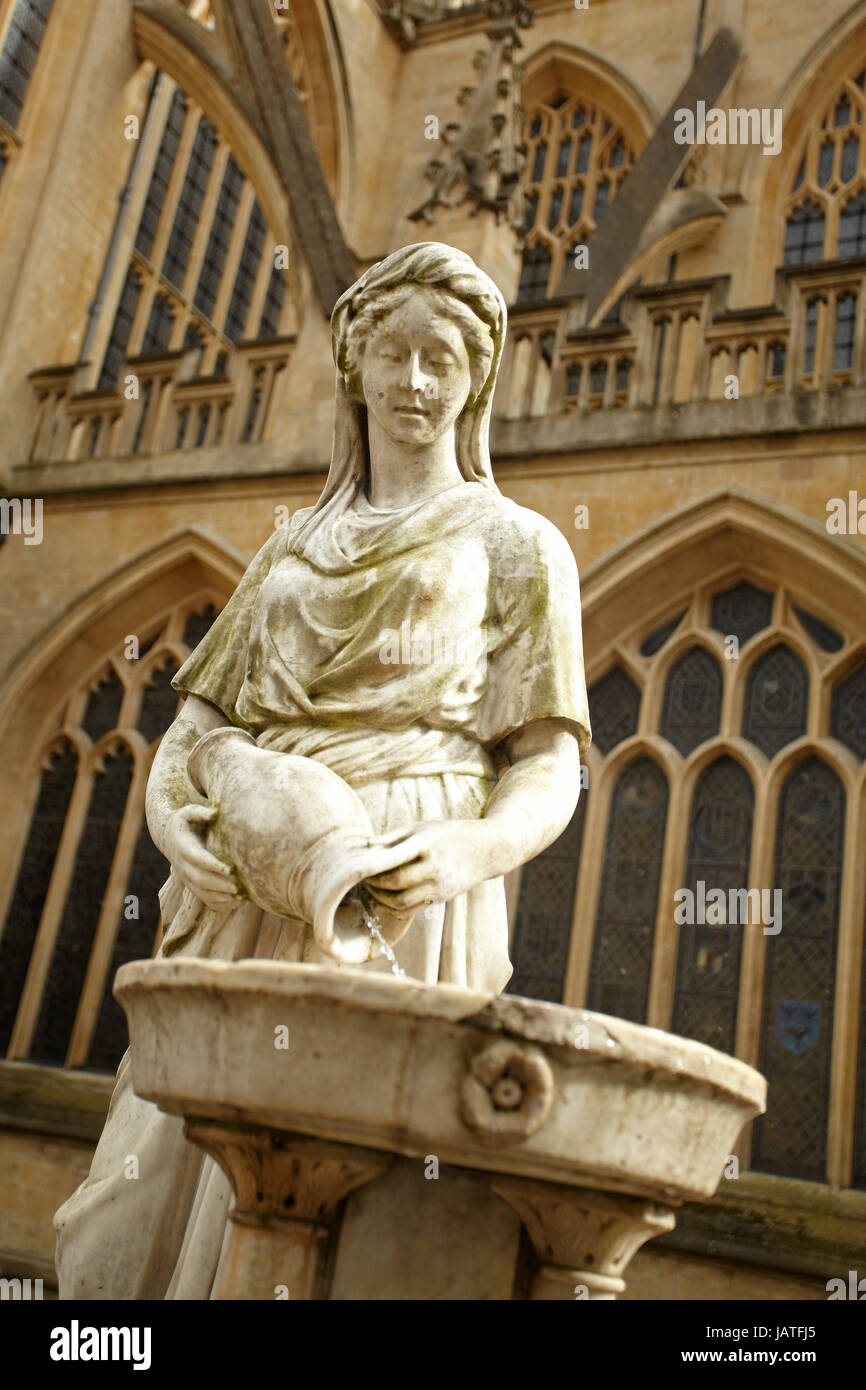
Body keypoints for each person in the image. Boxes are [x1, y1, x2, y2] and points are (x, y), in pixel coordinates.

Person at [54, 241, 591, 1299]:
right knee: (137, 1211)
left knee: (355, 1205)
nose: (414, 382)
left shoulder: (515, 542)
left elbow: (547, 760)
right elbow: (193, 731)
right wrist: (175, 822)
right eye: (392, 355)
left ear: (475, 376)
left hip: (399, 875)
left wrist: (472, 846)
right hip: (247, 867)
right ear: (353, 364)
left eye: (440, 358)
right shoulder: (289, 546)